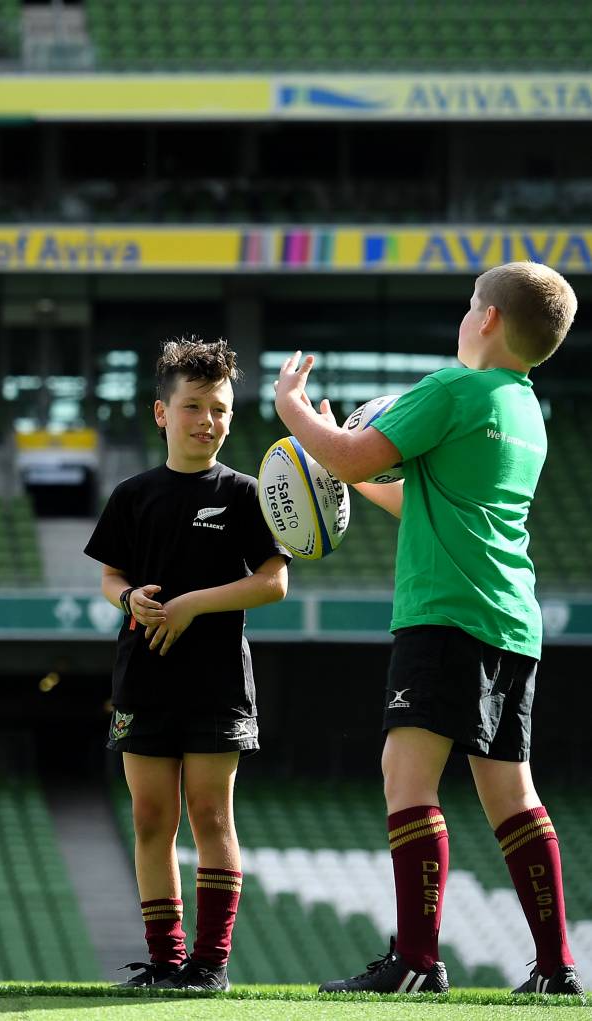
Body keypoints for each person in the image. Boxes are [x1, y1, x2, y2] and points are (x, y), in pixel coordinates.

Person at [277, 261, 581, 996]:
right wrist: (350, 472)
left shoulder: (452, 388)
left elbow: (349, 454)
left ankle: (416, 959)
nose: (464, 313)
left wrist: (293, 407)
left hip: (445, 612)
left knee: (405, 778)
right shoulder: (522, 405)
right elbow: (427, 502)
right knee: (514, 794)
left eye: (469, 303)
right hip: (511, 619)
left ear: (487, 319)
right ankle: (555, 966)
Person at [84, 337, 290, 993]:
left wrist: (193, 605)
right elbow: (110, 573)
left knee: (210, 815)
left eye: (221, 408)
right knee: (150, 818)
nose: (209, 420)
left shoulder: (246, 493)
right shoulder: (132, 494)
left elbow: (273, 581)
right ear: (161, 413)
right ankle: (166, 960)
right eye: (195, 406)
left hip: (217, 682)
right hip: (142, 678)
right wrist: (127, 596)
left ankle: (210, 963)